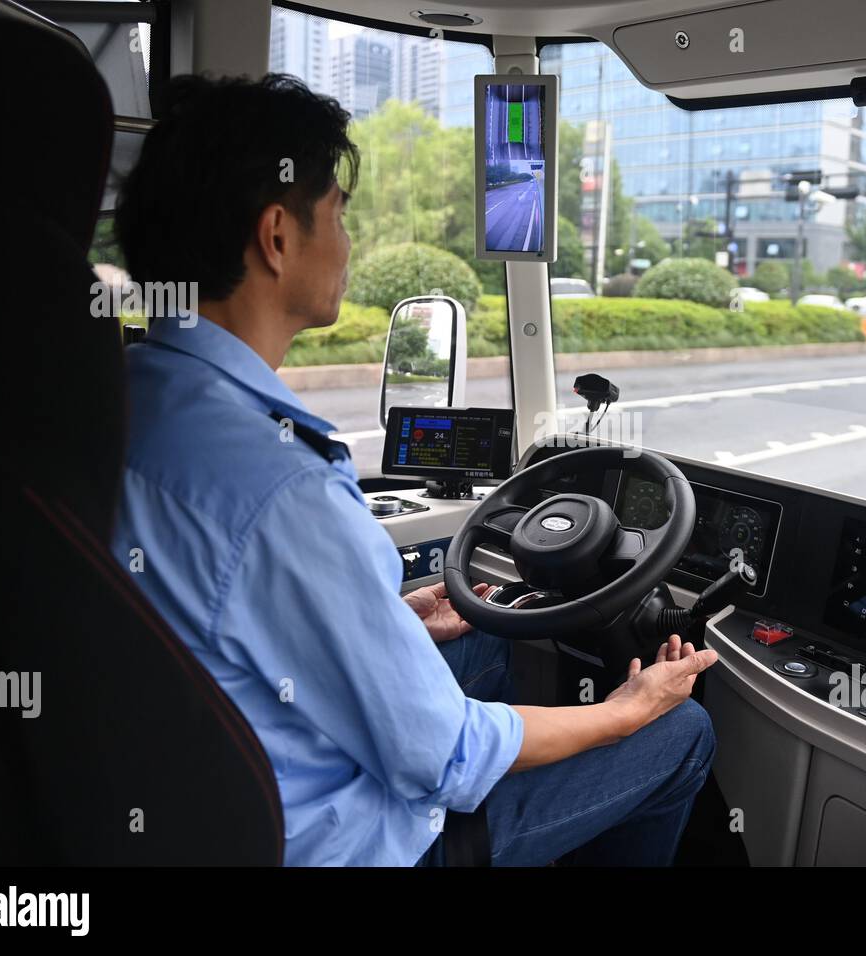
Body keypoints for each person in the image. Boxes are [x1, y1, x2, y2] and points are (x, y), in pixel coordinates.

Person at [110, 74, 718, 867]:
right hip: (336, 842)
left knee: (488, 643)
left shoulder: (126, 397)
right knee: (683, 732)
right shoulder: (280, 480)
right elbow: (445, 756)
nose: (348, 241)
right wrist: (625, 710)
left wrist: (390, 615)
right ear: (277, 235)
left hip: (197, 789)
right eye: (337, 214)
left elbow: (231, 605)